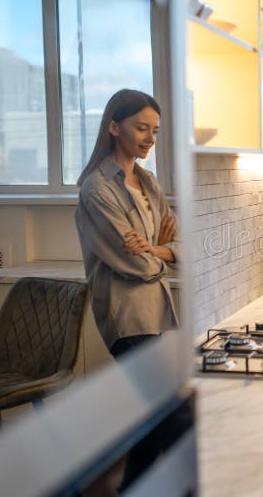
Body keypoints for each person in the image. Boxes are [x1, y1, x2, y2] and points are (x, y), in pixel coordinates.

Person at [75, 88, 180, 489]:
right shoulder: (96, 189)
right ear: (114, 126)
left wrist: (156, 247)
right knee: (169, 414)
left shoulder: (148, 181)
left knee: (153, 415)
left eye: (155, 130)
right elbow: (134, 263)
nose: (150, 138)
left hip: (158, 311)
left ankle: (131, 487)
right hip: (127, 316)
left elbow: (176, 243)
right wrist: (163, 253)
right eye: (141, 128)